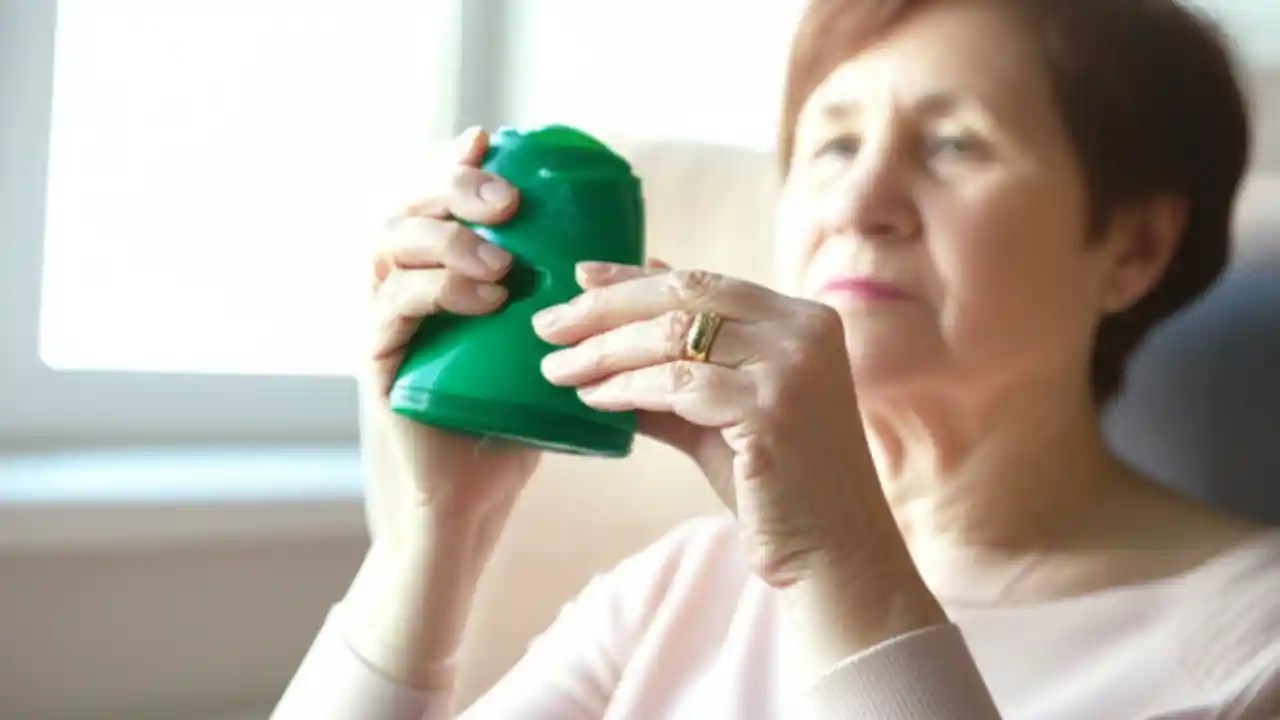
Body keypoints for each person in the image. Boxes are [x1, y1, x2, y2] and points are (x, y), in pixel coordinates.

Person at [274, 0, 1280, 717]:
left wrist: (841, 565)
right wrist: (428, 540)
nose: (857, 203)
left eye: (954, 146)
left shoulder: (1249, 647)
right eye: (832, 147)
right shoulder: (680, 588)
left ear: (1132, 247)